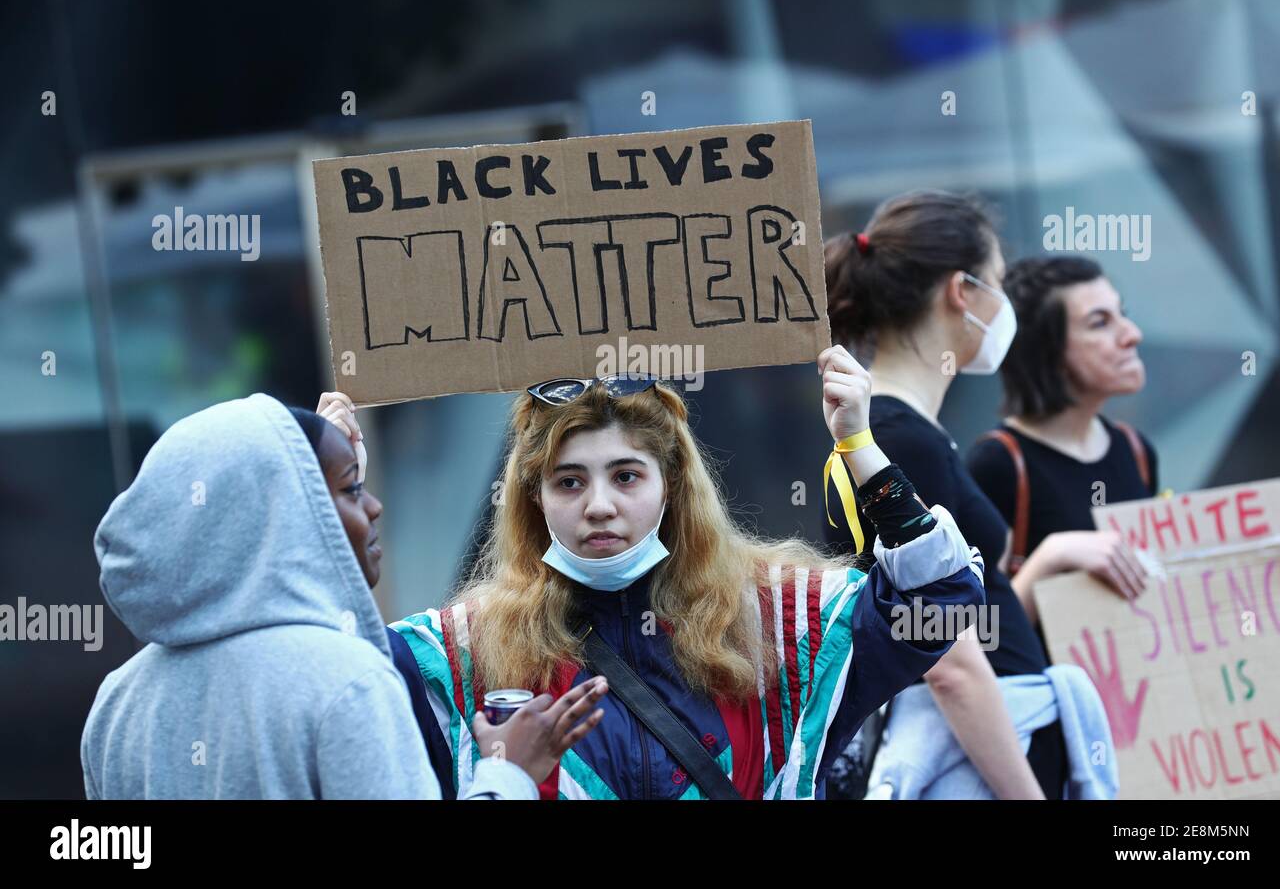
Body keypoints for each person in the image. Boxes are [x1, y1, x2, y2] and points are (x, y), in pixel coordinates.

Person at [322, 345, 987, 799]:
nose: (599, 505)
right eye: (569, 481)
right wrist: (332, 498)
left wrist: (858, 445)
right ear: (533, 500)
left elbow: (947, 600)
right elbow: (324, 686)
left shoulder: (784, 616)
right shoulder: (462, 653)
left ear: (672, 487)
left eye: (626, 475)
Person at [81, 393, 605, 799]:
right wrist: (508, 772)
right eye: (352, 487)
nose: (373, 506)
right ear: (288, 513)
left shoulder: (117, 702)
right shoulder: (346, 681)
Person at [821, 190, 1112, 800]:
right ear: (963, 292)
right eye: (999, 284)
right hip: (975, 767)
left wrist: (1052, 557)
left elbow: (977, 616)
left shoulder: (911, 434)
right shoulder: (898, 440)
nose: (1006, 306)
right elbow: (949, 660)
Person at [966, 254, 1280, 626]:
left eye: (1122, 314)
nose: (1132, 335)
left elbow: (1168, 583)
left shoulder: (1134, 448)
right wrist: (1052, 558)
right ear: (1048, 351)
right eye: (1100, 323)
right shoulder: (998, 464)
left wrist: (1279, 543)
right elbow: (980, 630)